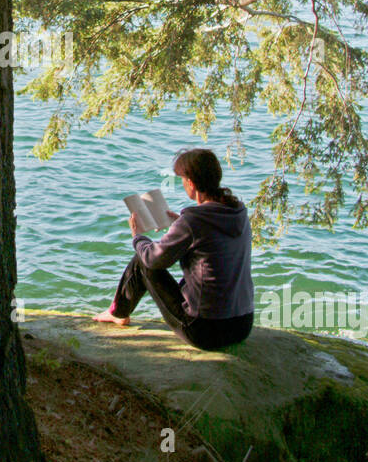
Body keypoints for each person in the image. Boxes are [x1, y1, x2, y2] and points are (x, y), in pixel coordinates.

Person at [92, 148, 254, 352]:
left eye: (183, 179)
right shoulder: (238, 212)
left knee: (143, 258)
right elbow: (213, 244)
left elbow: (153, 259)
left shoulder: (194, 220)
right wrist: (181, 225)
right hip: (242, 325)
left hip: (205, 331)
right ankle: (118, 312)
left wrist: (137, 236)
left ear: (192, 184)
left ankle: (118, 313)